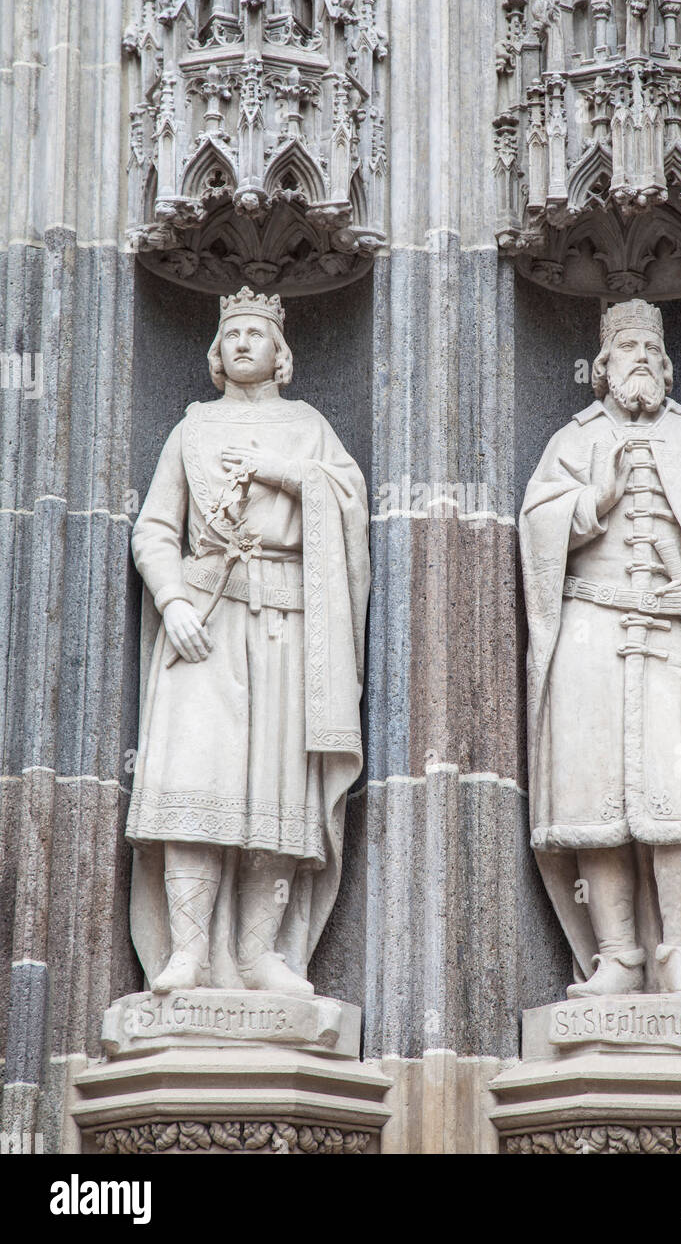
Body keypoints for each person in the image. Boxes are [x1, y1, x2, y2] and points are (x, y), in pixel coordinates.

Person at [519, 298, 681, 998]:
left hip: (677, 638)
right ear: (601, 368)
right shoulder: (573, 441)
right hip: (591, 635)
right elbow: (534, 530)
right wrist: (590, 502)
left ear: (666, 366)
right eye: (624, 350)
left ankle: (679, 956)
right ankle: (619, 957)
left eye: (649, 353)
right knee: (596, 803)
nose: (639, 362)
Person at [126, 286, 369, 996]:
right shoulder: (191, 428)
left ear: (280, 352)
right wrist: (171, 601)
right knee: (195, 782)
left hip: (288, 623)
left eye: (256, 333)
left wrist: (279, 472)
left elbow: (349, 502)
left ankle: (262, 954)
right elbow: (155, 529)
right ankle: (190, 953)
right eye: (231, 332)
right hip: (207, 616)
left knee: (277, 789)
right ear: (215, 351)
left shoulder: (308, 427)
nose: (242, 343)